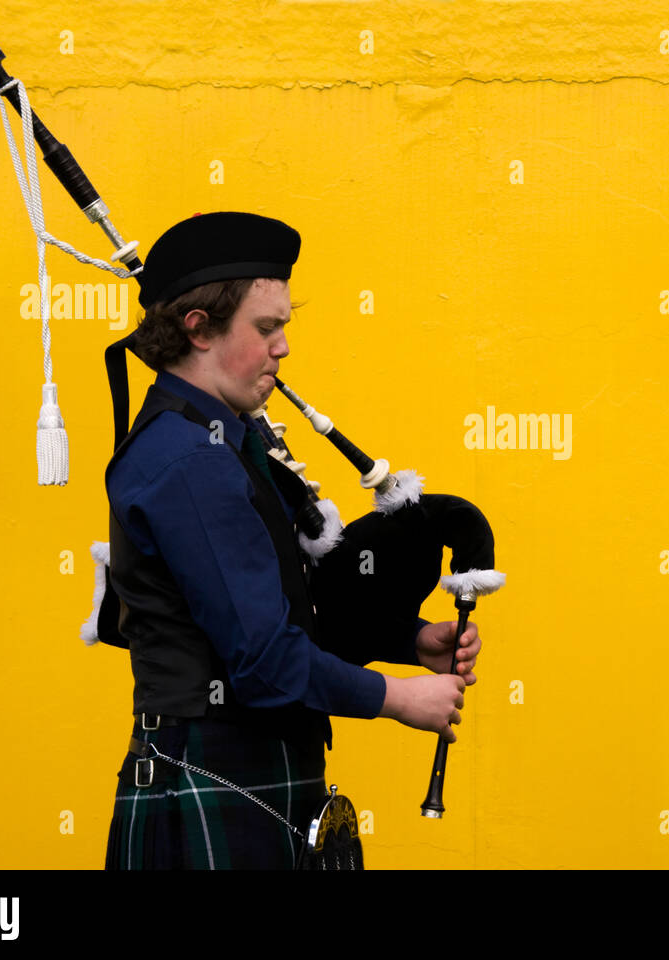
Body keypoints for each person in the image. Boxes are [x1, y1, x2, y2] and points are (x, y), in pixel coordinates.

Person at [101, 211, 479, 869]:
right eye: (267, 328)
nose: (283, 348)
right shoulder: (191, 460)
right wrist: (396, 698)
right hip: (211, 775)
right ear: (198, 330)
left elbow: (281, 610)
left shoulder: (224, 439)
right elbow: (264, 659)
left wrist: (408, 641)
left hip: (247, 775)